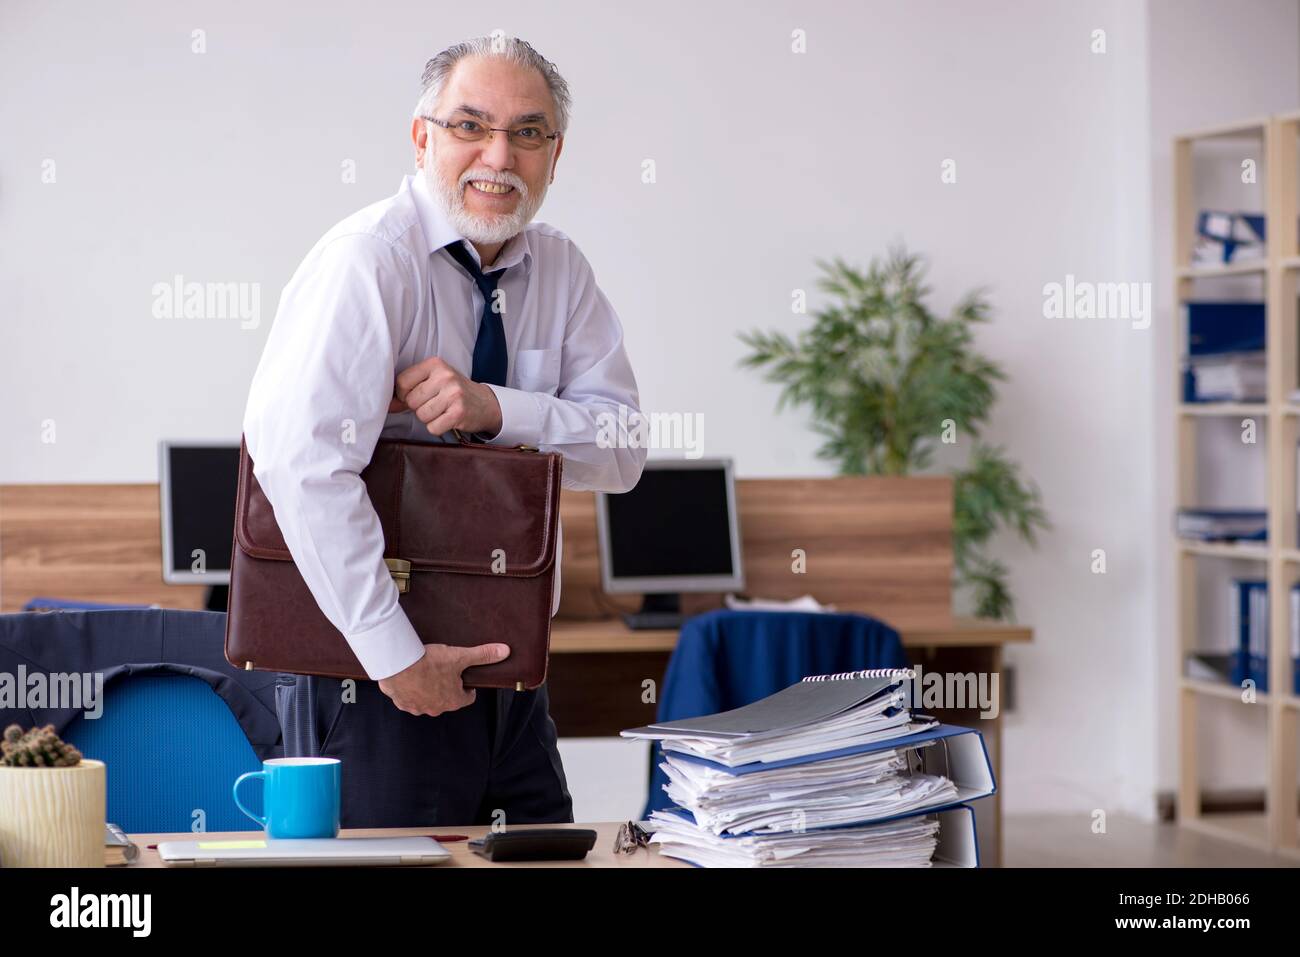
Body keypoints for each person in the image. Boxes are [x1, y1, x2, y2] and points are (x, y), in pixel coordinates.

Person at [242, 36, 645, 827]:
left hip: (514, 678)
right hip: (370, 677)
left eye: (528, 133)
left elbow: (624, 450)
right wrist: (397, 658)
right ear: (423, 136)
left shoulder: (563, 272)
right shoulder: (367, 262)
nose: (499, 155)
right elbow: (300, 465)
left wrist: (500, 408)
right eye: (471, 125)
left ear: (554, 156)